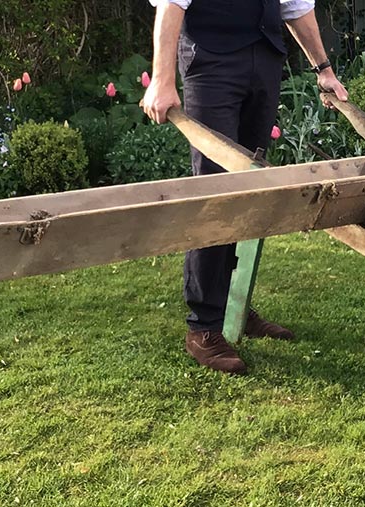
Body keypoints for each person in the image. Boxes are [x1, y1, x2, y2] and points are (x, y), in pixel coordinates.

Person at [141, 0, 348, 375]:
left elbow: (295, 5)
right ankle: (204, 325)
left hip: (264, 63)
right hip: (212, 64)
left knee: (251, 190)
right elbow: (172, 3)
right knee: (217, 193)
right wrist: (162, 78)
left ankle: (234, 306)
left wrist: (324, 70)